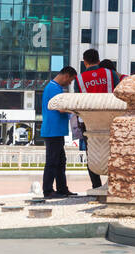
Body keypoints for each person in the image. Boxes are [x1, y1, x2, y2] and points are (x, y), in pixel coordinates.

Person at [74, 49, 120, 190]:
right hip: (111, 119)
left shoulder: (79, 79)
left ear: (85, 62)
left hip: (89, 123)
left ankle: (96, 186)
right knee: (115, 152)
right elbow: (118, 93)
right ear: (99, 61)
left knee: (92, 154)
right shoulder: (110, 74)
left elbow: (79, 100)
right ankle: (114, 185)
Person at [41, 66, 78, 199]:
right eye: (71, 80)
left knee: (60, 161)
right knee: (52, 161)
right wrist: (76, 109)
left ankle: (62, 188)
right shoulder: (54, 88)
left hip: (54, 130)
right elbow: (61, 109)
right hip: (53, 131)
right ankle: (48, 190)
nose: (70, 83)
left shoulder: (54, 87)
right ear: (66, 76)